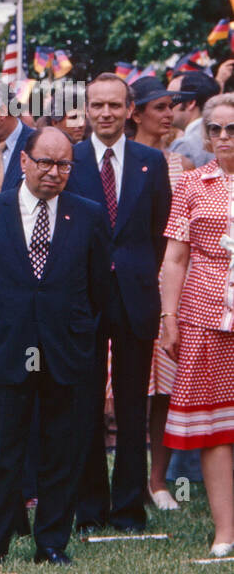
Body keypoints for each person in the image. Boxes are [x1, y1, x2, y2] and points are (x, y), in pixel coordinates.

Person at [0, 126, 112, 568]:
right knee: (4, 452)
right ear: (24, 161)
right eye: (45, 162)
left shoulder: (88, 215)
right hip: (10, 350)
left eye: (64, 164)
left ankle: (51, 543)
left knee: (61, 450)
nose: (54, 172)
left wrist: (80, 336)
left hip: (67, 353)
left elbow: (99, 289)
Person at [66, 73, 172, 534]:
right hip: (82, 300)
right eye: (97, 105)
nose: (105, 113)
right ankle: (90, 507)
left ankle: (129, 508)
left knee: (133, 407)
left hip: (135, 298)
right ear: (86, 109)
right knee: (85, 404)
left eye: (114, 105)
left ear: (129, 110)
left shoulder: (152, 162)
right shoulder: (68, 160)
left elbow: (159, 232)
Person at [159, 92, 234, 556]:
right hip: (205, 313)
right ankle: (225, 530)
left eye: (233, 129)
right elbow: (175, 256)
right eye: (216, 130)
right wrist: (169, 317)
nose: (224, 138)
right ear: (205, 135)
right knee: (216, 426)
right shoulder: (191, 184)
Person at [130, 75, 188, 510]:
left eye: (172, 106)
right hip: (128, 285)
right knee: (123, 390)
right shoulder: (126, 160)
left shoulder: (179, 164)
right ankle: (120, 479)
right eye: (160, 107)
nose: (169, 114)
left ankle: (158, 480)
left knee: (164, 388)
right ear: (138, 112)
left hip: (168, 286)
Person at [168, 72, 219, 168]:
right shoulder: (224, 136)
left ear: (190, 103)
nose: (167, 107)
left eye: (172, 99)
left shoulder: (184, 146)